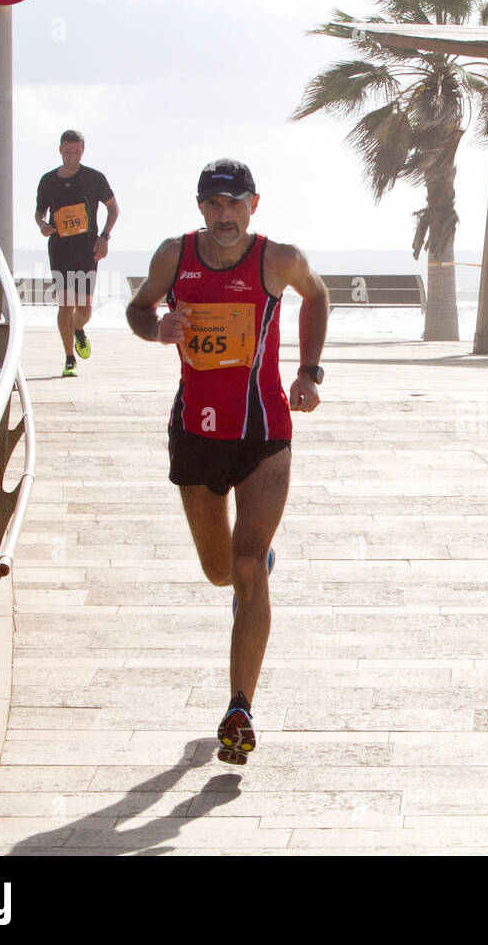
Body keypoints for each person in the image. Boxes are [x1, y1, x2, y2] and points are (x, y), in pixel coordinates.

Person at [126, 159, 328, 765]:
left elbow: (316, 296)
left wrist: (308, 371)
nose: (223, 216)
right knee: (220, 571)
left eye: (233, 204)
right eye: (213, 205)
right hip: (195, 433)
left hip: (264, 432)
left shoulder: (278, 259)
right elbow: (139, 309)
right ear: (200, 208)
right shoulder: (174, 255)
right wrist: (156, 328)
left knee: (245, 569)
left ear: (253, 205)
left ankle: (240, 707)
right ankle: (253, 561)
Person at [35, 129, 119, 377]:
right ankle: (69, 358)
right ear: (60, 149)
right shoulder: (48, 180)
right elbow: (40, 212)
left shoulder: (95, 178)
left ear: (83, 150)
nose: (72, 155)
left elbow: (113, 209)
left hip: (88, 250)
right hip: (60, 250)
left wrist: (104, 237)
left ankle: (78, 329)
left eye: (76, 151)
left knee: (84, 310)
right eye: (67, 151)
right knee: (65, 304)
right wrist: (42, 225)